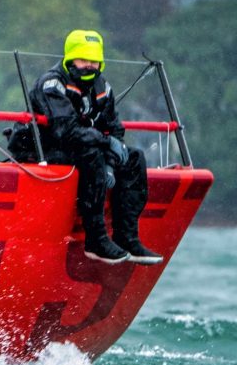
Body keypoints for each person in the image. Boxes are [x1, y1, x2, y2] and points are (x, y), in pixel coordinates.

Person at [30, 29, 162, 264]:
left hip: (89, 148)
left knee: (134, 158)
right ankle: (96, 240)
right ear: (70, 59)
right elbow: (65, 130)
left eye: (94, 61)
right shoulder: (52, 84)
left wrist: (110, 164)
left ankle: (127, 238)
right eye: (83, 60)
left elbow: (115, 129)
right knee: (92, 154)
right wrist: (105, 144)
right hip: (46, 148)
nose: (89, 66)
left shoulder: (103, 87)